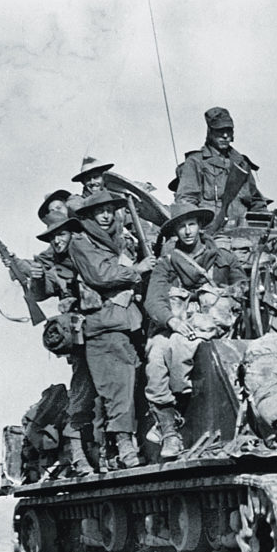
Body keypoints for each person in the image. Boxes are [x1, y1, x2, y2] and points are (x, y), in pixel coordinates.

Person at [143, 203, 246, 459]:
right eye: (182, 226)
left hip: (214, 326)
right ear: (176, 232)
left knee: (183, 346)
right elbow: (153, 300)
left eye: (191, 224)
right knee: (157, 354)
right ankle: (168, 430)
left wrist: (222, 303)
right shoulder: (167, 263)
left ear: (200, 227)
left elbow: (243, 288)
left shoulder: (222, 258)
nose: (187, 231)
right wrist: (172, 321)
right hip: (177, 324)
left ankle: (183, 403)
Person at [68, 189, 154, 469]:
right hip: (104, 326)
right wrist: (138, 270)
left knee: (133, 385)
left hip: (129, 323)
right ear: (89, 215)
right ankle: (124, 446)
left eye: (109, 210)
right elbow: (101, 275)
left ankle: (125, 445)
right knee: (117, 388)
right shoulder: (81, 242)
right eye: (99, 211)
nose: (106, 216)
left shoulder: (120, 240)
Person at [29, 212, 98, 475]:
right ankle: (78, 456)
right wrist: (35, 276)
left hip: (108, 333)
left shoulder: (92, 253)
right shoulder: (55, 266)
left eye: (62, 234)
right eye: (53, 236)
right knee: (82, 394)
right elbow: (40, 290)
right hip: (82, 339)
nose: (57, 241)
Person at [174, 107, 270, 226]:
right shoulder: (195, 162)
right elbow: (186, 201)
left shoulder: (242, 164)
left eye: (228, 130)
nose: (225, 135)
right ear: (210, 132)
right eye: (220, 130)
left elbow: (257, 202)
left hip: (241, 232)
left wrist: (264, 224)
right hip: (210, 232)